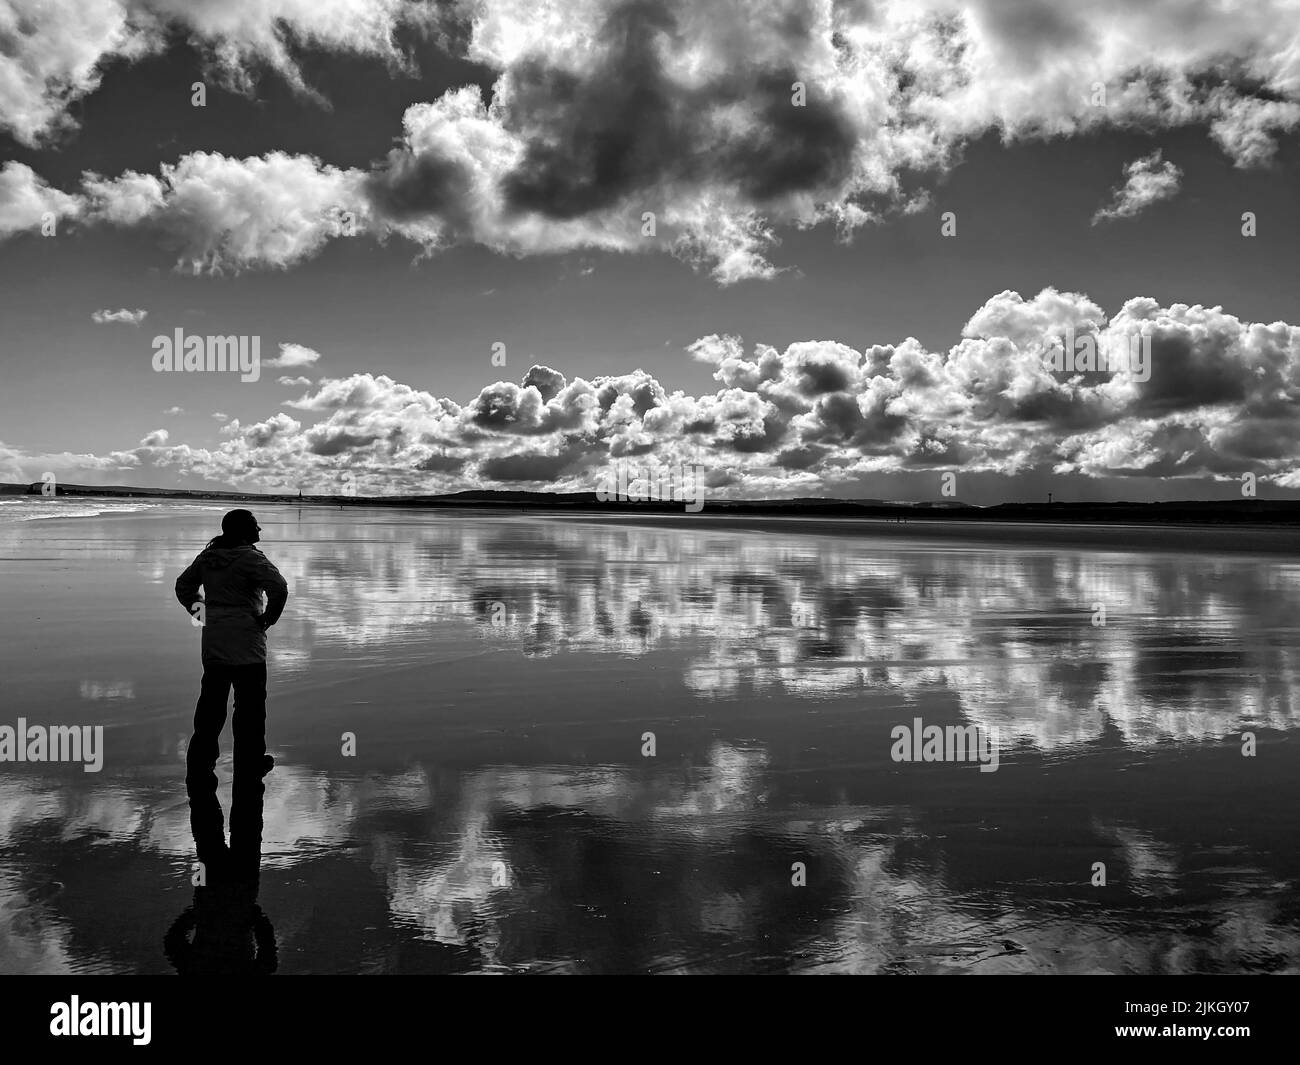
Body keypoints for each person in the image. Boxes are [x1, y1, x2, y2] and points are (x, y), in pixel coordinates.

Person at [175, 509, 288, 792]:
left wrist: (200, 612)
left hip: (215, 641)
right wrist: (268, 619)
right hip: (247, 644)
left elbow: (184, 585)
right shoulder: (251, 558)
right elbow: (280, 588)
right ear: (242, 531)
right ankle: (249, 762)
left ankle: (200, 762)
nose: (260, 531)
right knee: (250, 707)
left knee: (211, 705)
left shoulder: (208, 558)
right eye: (254, 526)